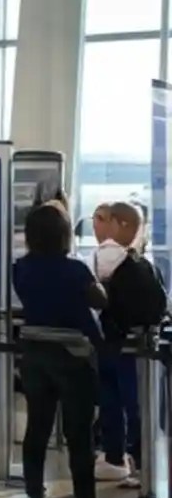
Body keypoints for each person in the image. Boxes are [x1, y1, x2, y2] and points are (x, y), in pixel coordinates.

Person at [13, 204, 106, 498]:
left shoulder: (20, 268)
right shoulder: (75, 269)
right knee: (78, 432)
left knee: (37, 426)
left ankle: (35, 496)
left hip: (33, 352)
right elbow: (99, 301)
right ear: (64, 234)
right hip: (73, 354)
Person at [95, 201, 145, 482]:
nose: (99, 226)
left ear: (120, 224)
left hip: (110, 342)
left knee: (114, 403)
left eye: (105, 219)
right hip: (131, 344)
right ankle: (139, 462)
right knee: (132, 404)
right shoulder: (139, 262)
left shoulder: (104, 256)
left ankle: (116, 457)